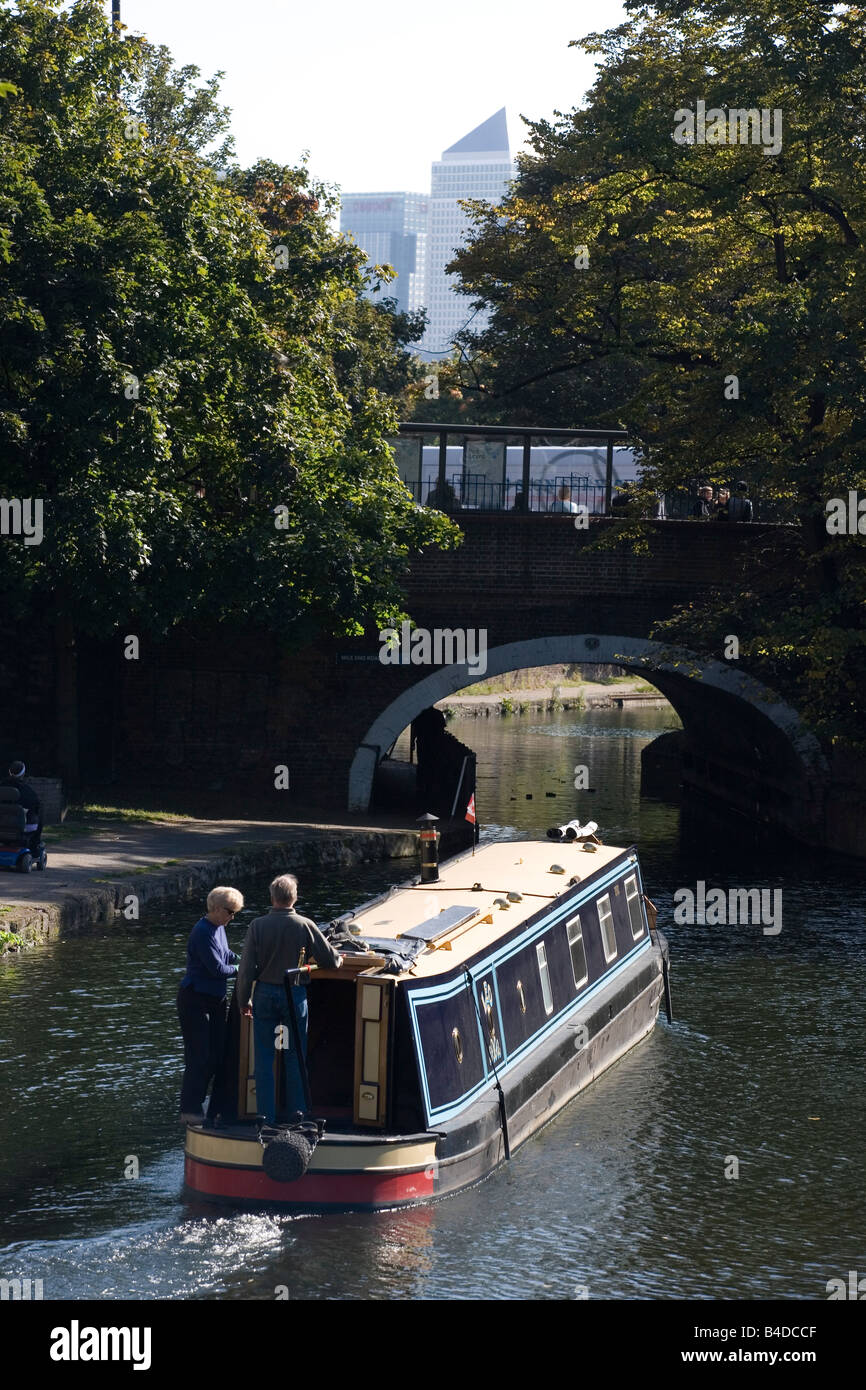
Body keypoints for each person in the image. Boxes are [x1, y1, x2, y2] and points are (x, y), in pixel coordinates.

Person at [236, 874, 343, 1124]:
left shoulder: (257, 926)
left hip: (263, 994)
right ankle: (297, 1112)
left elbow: (246, 969)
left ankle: (265, 1115)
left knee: (264, 1056)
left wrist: (244, 1000)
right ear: (294, 897)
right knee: (294, 1055)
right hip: (293, 994)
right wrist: (338, 959)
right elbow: (329, 959)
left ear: (272, 898)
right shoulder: (304, 924)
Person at [176, 885, 244, 1124]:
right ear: (216, 908)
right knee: (199, 1056)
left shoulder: (219, 927)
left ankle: (208, 1103)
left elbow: (226, 956)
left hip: (214, 1000)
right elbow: (217, 969)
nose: (232, 917)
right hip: (196, 1000)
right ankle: (189, 1110)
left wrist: (245, 958)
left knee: (217, 1054)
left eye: (235, 913)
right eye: (230, 912)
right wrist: (242, 969)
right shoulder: (203, 932)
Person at [0, 761, 42, 853]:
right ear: (23, 773)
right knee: (39, 819)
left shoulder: (2, 786)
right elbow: (36, 807)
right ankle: (35, 847)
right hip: (19, 828)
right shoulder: (27, 791)